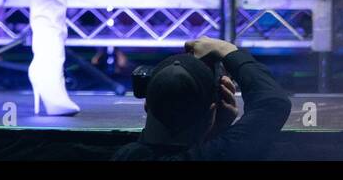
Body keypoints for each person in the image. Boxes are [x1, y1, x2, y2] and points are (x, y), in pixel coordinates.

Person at [112, 38, 292, 161]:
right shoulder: (222, 154)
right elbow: (273, 104)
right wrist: (226, 49)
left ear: (146, 105)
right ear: (213, 110)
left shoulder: (124, 155)